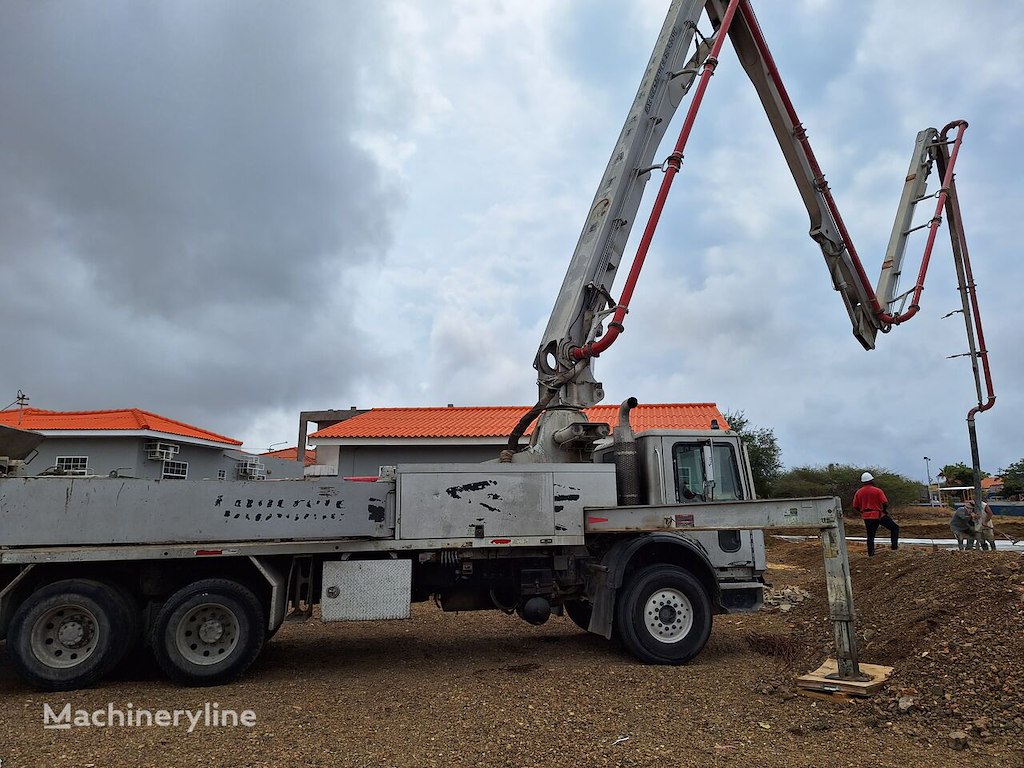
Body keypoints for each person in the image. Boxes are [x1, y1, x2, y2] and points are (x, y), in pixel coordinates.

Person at [852, 471, 899, 556]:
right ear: (871, 480)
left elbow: (855, 506)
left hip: (867, 517)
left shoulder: (858, 492)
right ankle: (894, 547)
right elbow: (885, 502)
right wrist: (884, 511)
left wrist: (862, 512)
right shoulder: (877, 491)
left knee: (870, 536)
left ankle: (871, 554)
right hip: (878, 515)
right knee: (894, 528)